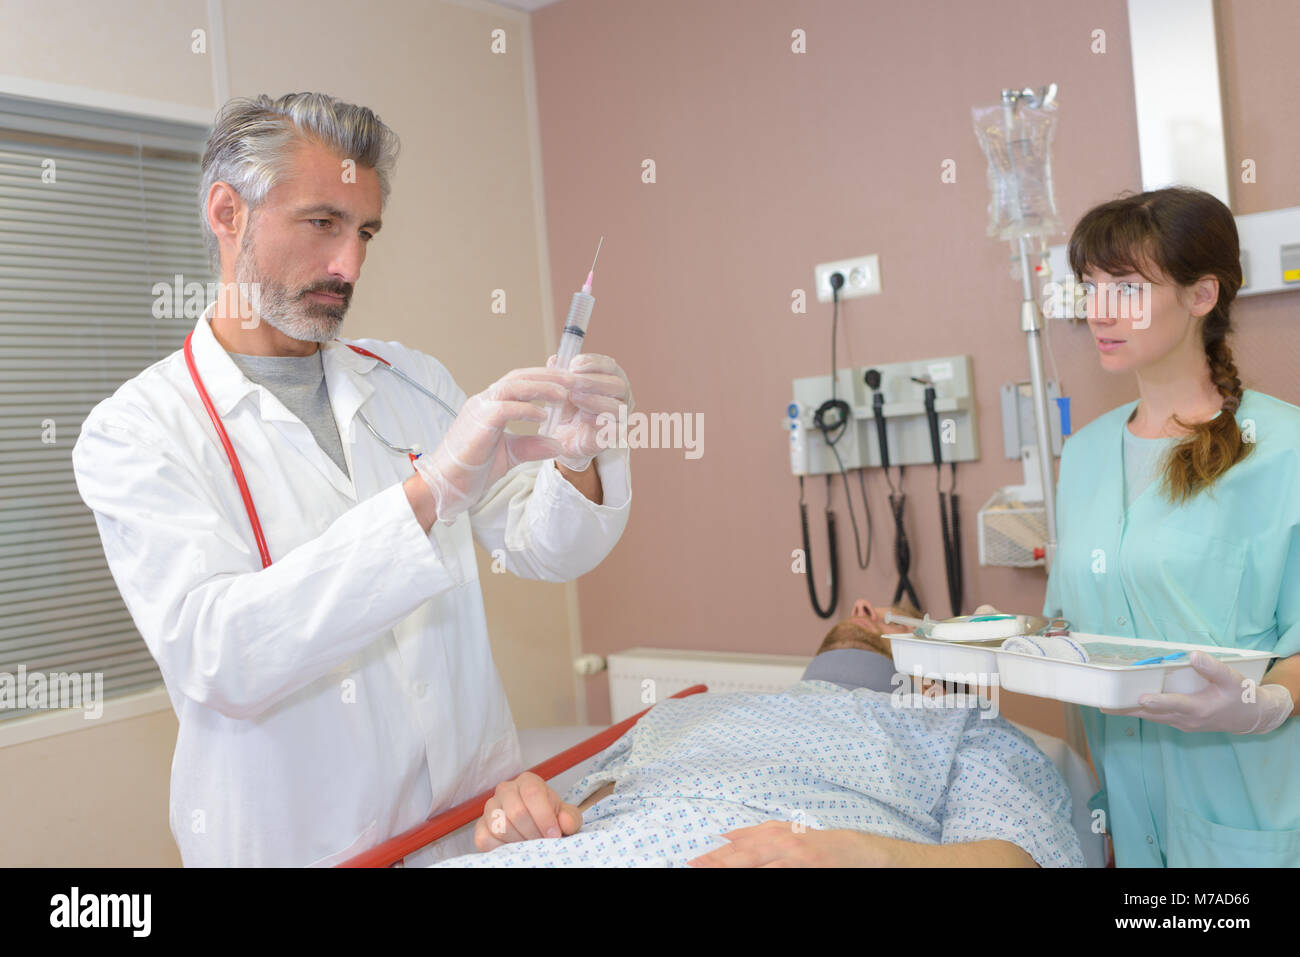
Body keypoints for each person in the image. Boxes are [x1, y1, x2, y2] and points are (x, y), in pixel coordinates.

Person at [70, 93, 634, 867]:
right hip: (306, 849)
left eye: (364, 231)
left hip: (475, 828)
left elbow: (546, 549)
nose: (350, 265)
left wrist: (576, 457)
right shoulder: (138, 429)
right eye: (322, 223)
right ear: (227, 213)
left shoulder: (410, 380)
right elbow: (220, 654)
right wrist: (428, 493)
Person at [431, 598, 1084, 868]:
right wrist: (519, 813)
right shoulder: (686, 710)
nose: (861, 606)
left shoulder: (962, 727)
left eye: (896, 610)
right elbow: (572, 811)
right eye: (862, 605)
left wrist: (851, 851)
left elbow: (1018, 859)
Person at [1042, 186, 1300, 866]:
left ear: (1201, 295)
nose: (1098, 309)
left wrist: (1261, 702)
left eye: (1126, 286)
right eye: (1090, 286)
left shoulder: (1283, 449)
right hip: (1130, 818)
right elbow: (1074, 628)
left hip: (1254, 817)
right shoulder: (1088, 453)